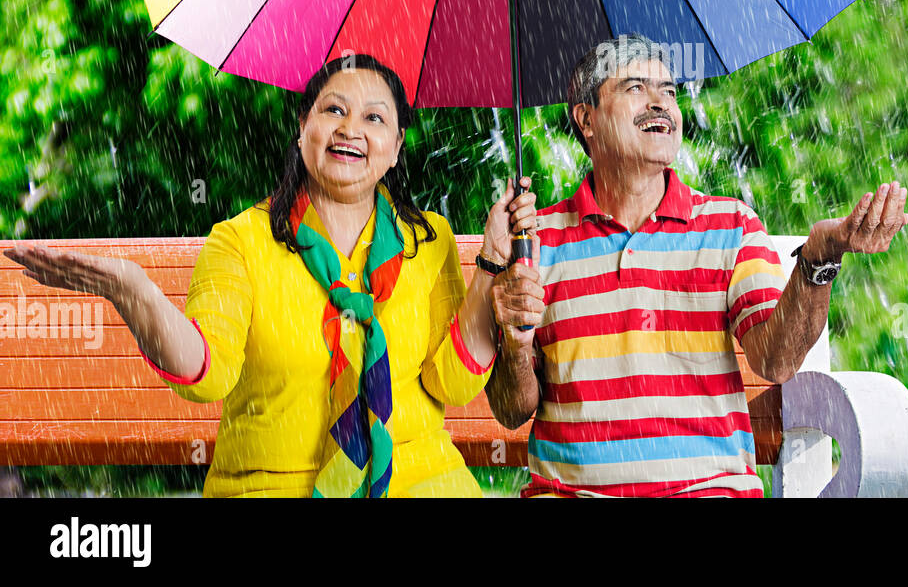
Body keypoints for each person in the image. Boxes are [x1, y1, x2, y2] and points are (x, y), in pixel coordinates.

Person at [5, 54, 536, 498]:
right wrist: (130, 288)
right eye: (334, 110)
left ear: (396, 149)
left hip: (422, 483)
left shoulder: (430, 240)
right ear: (303, 127)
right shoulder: (241, 242)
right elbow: (205, 372)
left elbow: (454, 381)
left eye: (375, 118)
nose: (351, 129)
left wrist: (490, 263)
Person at [485, 35, 908, 497]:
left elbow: (776, 359)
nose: (660, 104)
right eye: (635, 88)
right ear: (586, 118)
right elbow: (511, 411)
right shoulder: (534, 244)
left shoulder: (729, 225)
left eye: (668, 91)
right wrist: (514, 339)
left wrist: (819, 258)